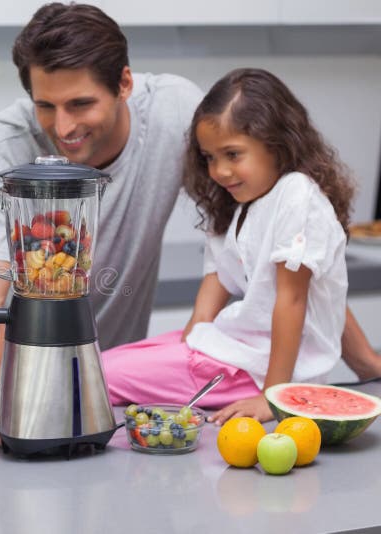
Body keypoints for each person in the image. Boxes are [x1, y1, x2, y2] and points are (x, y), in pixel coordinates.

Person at [0, 3, 381, 446]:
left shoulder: (174, 114)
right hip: (21, 388)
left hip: (114, 393)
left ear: (125, 83)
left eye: (80, 103)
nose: (63, 127)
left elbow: (301, 271)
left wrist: (365, 362)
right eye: (45, 106)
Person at [102, 68, 354, 425]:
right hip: (230, 350)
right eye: (209, 158)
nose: (219, 171)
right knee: (92, 366)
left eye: (233, 155)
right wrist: (186, 347)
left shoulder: (296, 194)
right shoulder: (241, 203)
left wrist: (273, 396)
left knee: (93, 377)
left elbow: (293, 299)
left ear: (278, 144)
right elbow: (217, 279)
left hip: (254, 371)